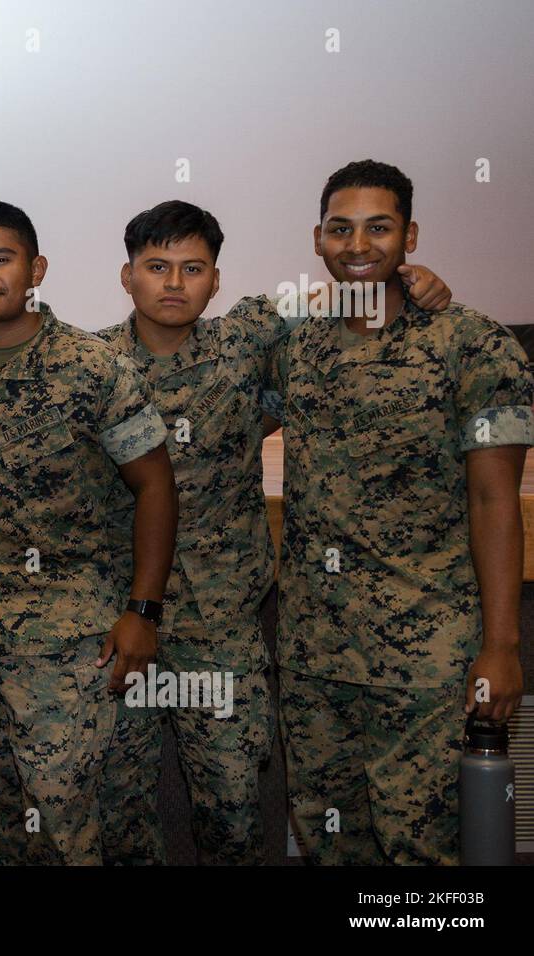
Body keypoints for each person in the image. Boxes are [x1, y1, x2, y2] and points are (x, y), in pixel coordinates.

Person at [94, 200, 453, 865]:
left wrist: (414, 280)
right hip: (117, 627)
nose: (174, 283)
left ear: (217, 280)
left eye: (193, 268)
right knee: (118, 810)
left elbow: (355, 282)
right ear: (127, 275)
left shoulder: (249, 336)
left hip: (223, 625)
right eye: (157, 266)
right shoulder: (91, 365)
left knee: (233, 811)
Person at [271, 160, 532, 864]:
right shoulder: (294, 343)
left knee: (422, 849)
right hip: (312, 653)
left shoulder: (471, 344)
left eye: (379, 227)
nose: (358, 244)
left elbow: (494, 499)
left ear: (410, 236)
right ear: (318, 241)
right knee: (331, 838)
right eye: (341, 229)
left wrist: (502, 647)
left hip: (426, 655)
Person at [0, 199, 178, 865]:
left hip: (65, 643)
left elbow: (156, 486)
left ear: (36, 269)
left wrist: (143, 610)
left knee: (70, 821)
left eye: (1, 259)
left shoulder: (93, 368)